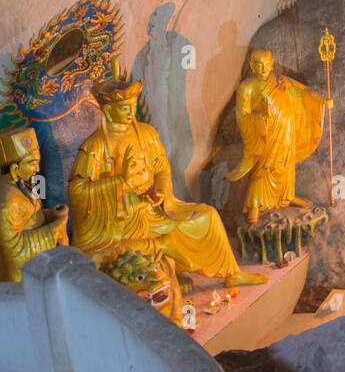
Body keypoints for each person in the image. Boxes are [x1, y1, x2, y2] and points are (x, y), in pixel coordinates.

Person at [69, 65, 267, 286]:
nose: (130, 112)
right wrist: (121, 183)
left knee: (208, 216)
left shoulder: (146, 133)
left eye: (132, 106)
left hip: (153, 208)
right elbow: (77, 190)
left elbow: (162, 167)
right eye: (124, 108)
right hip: (121, 220)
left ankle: (231, 272)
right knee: (135, 247)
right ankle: (167, 258)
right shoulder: (96, 146)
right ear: (107, 111)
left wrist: (162, 190)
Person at [227, 49, 332, 223]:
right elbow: (242, 115)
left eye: (267, 63)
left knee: (286, 164)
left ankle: (287, 195)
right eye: (259, 64)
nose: (263, 68)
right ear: (252, 65)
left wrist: (322, 101)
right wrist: (261, 119)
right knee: (263, 166)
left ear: (272, 63)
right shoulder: (247, 87)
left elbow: (302, 93)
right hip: (265, 133)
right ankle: (255, 204)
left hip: (286, 130)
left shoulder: (281, 81)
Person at [0, 126, 68, 281]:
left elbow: (32, 217)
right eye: (32, 163)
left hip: (40, 265)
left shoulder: (23, 185)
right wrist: (54, 230)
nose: (37, 169)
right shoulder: (6, 201)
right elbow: (14, 249)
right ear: (15, 169)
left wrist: (52, 214)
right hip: (22, 278)